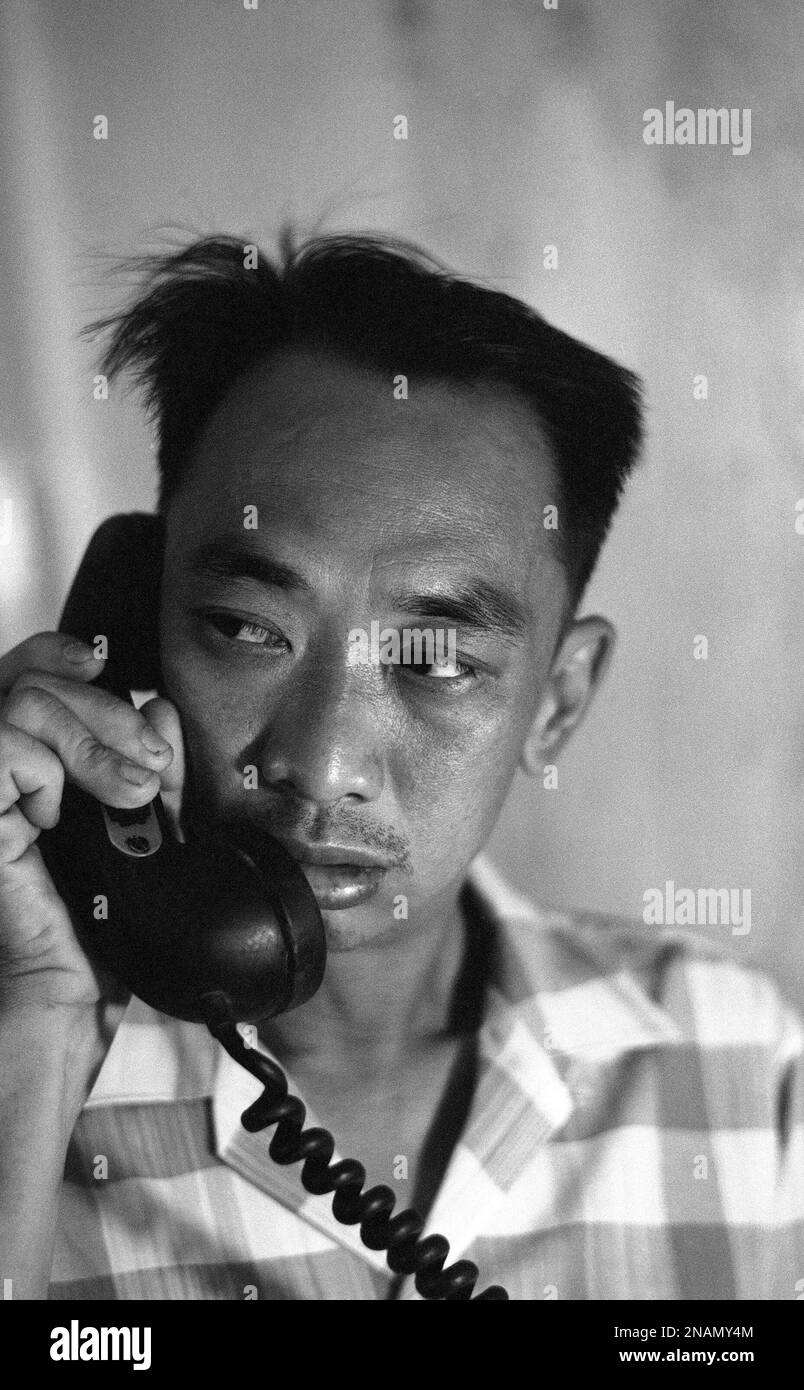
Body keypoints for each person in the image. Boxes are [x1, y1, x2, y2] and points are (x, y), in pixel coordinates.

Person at [0, 232, 800, 1301]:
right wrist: (33, 1042)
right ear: (135, 629)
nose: (320, 762)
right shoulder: (25, 1075)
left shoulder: (742, 1068)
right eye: (245, 627)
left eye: (437, 660)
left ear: (555, 704)